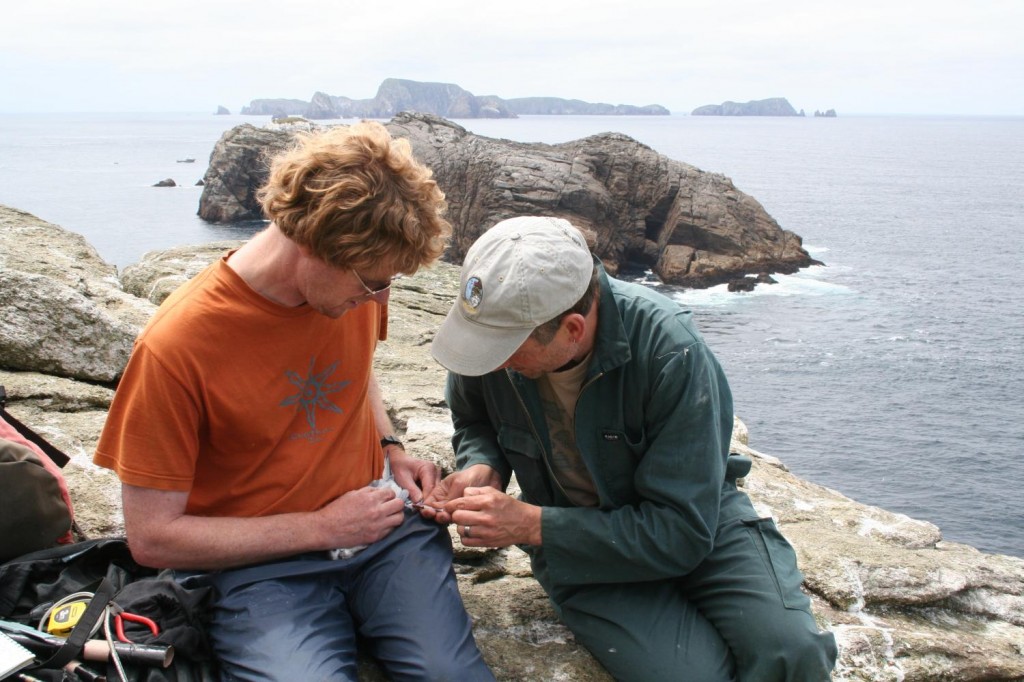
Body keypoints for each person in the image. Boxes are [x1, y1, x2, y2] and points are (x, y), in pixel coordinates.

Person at [93, 122, 493, 682]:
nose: (380, 297)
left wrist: (390, 446)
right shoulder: (177, 347)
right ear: (311, 243)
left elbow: (356, 370)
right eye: (371, 281)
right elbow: (153, 537)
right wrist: (323, 528)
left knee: (450, 675)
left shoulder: (353, 289)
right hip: (261, 567)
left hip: (385, 533)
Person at [424, 216, 838, 681]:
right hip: (580, 548)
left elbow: (682, 531)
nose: (491, 361)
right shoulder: (494, 335)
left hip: (689, 520)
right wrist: (483, 465)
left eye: (505, 349)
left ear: (572, 329)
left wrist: (531, 524)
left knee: (792, 654)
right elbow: (473, 418)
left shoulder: (671, 351)